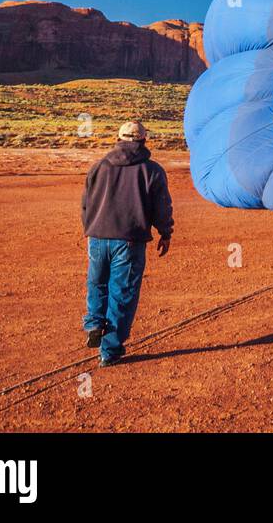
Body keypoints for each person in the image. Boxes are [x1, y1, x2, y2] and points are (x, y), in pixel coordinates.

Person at [80, 121, 173, 366]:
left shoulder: (99, 167)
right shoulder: (151, 170)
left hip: (97, 237)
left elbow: (86, 204)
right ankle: (109, 351)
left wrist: (90, 229)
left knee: (97, 282)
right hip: (129, 240)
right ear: (143, 140)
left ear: (118, 139)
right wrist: (165, 232)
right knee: (122, 293)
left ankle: (94, 323)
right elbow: (161, 207)